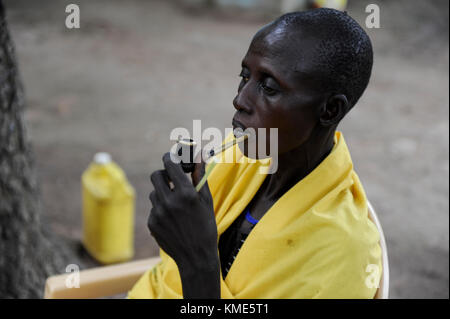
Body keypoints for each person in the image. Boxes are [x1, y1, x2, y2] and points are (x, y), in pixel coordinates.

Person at [128, 8, 382, 299]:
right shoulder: (234, 163)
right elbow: (164, 279)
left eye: (269, 87)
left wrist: (197, 262)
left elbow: (191, 272)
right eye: (244, 76)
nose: (240, 100)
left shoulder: (344, 250)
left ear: (329, 110)